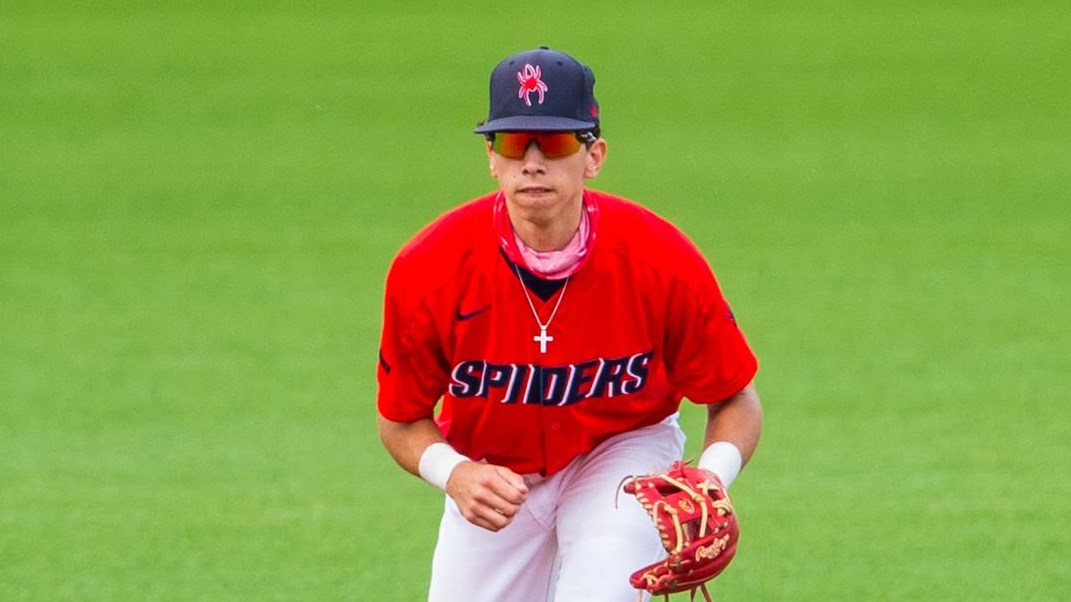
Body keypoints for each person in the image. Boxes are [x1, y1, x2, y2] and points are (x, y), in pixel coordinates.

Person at [376, 46, 763, 602]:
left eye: (555, 143)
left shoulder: (660, 259)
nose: (532, 161)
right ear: (492, 158)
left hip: (621, 453)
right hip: (492, 469)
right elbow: (400, 418)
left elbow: (735, 396)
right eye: (513, 143)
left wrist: (711, 476)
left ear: (594, 155)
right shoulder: (429, 268)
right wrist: (454, 473)